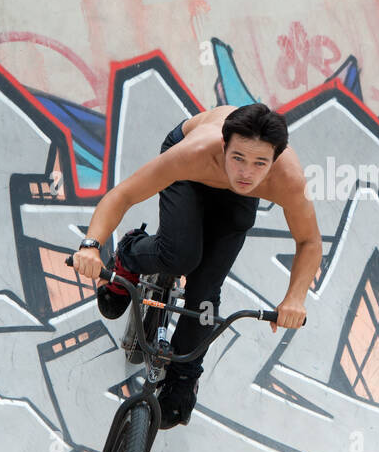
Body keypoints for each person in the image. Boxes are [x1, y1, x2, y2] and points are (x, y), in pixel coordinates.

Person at [72, 103, 320, 429]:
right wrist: (91, 247)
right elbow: (124, 195)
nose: (247, 172)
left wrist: (295, 298)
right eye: (238, 158)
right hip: (192, 176)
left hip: (236, 200)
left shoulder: (286, 179)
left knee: (205, 289)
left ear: (274, 160)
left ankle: (184, 376)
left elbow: (309, 242)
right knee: (180, 256)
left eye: (260, 163)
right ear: (224, 145)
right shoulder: (194, 151)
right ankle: (129, 255)